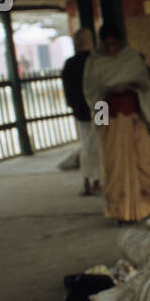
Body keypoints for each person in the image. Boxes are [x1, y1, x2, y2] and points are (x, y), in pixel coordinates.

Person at [82, 25, 150, 224]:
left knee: (144, 163)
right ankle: (121, 212)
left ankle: (148, 206)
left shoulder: (132, 58)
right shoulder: (95, 62)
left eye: (114, 44)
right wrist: (101, 123)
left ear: (121, 42)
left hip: (135, 119)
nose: (111, 49)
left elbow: (146, 87)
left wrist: (148, 113)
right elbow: (92, 92)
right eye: (107, 45)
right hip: (112, 121)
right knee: (114, 169)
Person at [61, 28, 101, 195]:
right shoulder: (97, 60)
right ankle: (98, 181)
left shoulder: (70, 64)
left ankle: (87, 181)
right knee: (100, 144)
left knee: (86, 145)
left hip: (81, 110)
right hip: (101, 107)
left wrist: (74, 107)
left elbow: (68, 91)